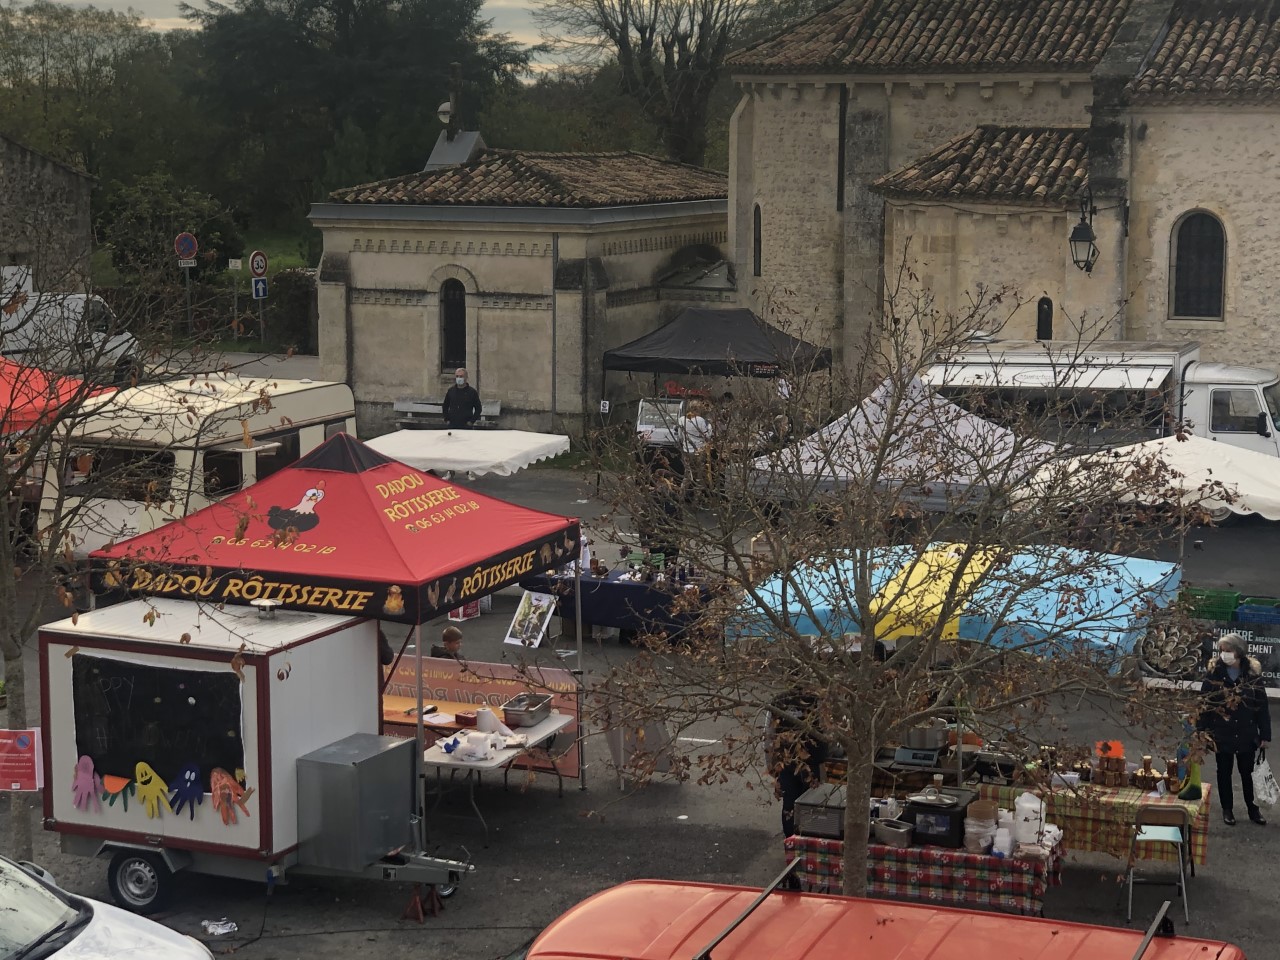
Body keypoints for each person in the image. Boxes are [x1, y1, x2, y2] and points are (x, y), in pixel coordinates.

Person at [1197, 632, 1271, 825]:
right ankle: (1227, 810)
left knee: (1248, 774)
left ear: (1238, 652)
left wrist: (1265, 735)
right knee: (1224, 772)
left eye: (1227, 650)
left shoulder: (1252, 676)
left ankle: (1252, 809)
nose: (1223, 654)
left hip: (1247, 735)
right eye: (1221, 650)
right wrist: (1201, 730)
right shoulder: (1214, 674)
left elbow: (1262, 707)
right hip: (1222, 733)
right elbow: (1204, 704)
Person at [767, 688, 829, 839]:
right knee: (812, 803)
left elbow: (768, 735)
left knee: (789, 803)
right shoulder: (817, 701)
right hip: (812, 762)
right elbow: (827, 730)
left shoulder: (778, 701)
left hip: (786, 761)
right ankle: (809, 839)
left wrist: (770, 764)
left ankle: (790, 840)